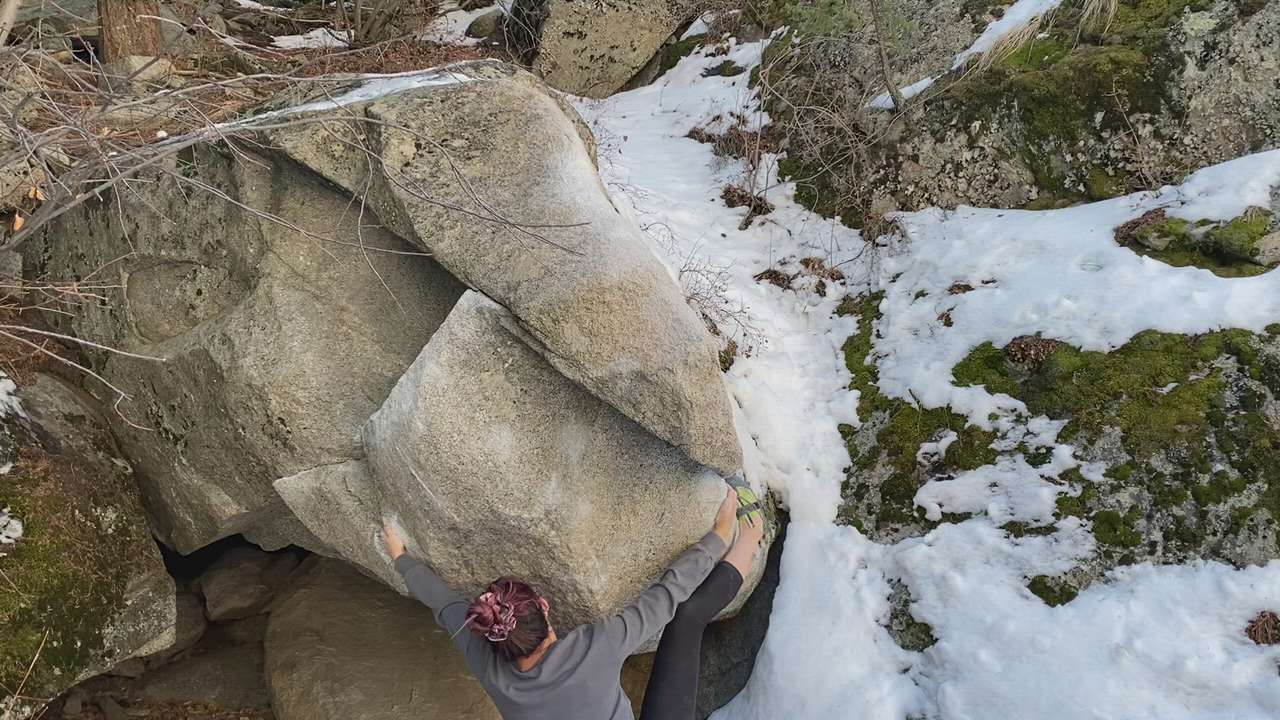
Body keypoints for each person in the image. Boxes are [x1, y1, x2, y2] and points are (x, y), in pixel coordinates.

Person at [380, 484, 766, 720]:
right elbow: (667, 595)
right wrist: (718, 534)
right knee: (688, 617)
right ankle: (750, 534)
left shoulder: (491, 672)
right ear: (545, 607)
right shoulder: (594, 648)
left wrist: (401, 560)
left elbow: (444, 606)